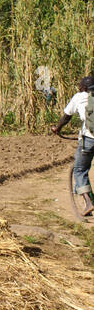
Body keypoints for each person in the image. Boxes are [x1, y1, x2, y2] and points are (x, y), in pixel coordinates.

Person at [52, 75, 94, 216]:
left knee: (80, 170)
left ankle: (88, 202)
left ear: (83, 87)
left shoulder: (79, 97)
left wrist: (57, 128)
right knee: (82, 168)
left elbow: (66, 116)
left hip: (88, 139)